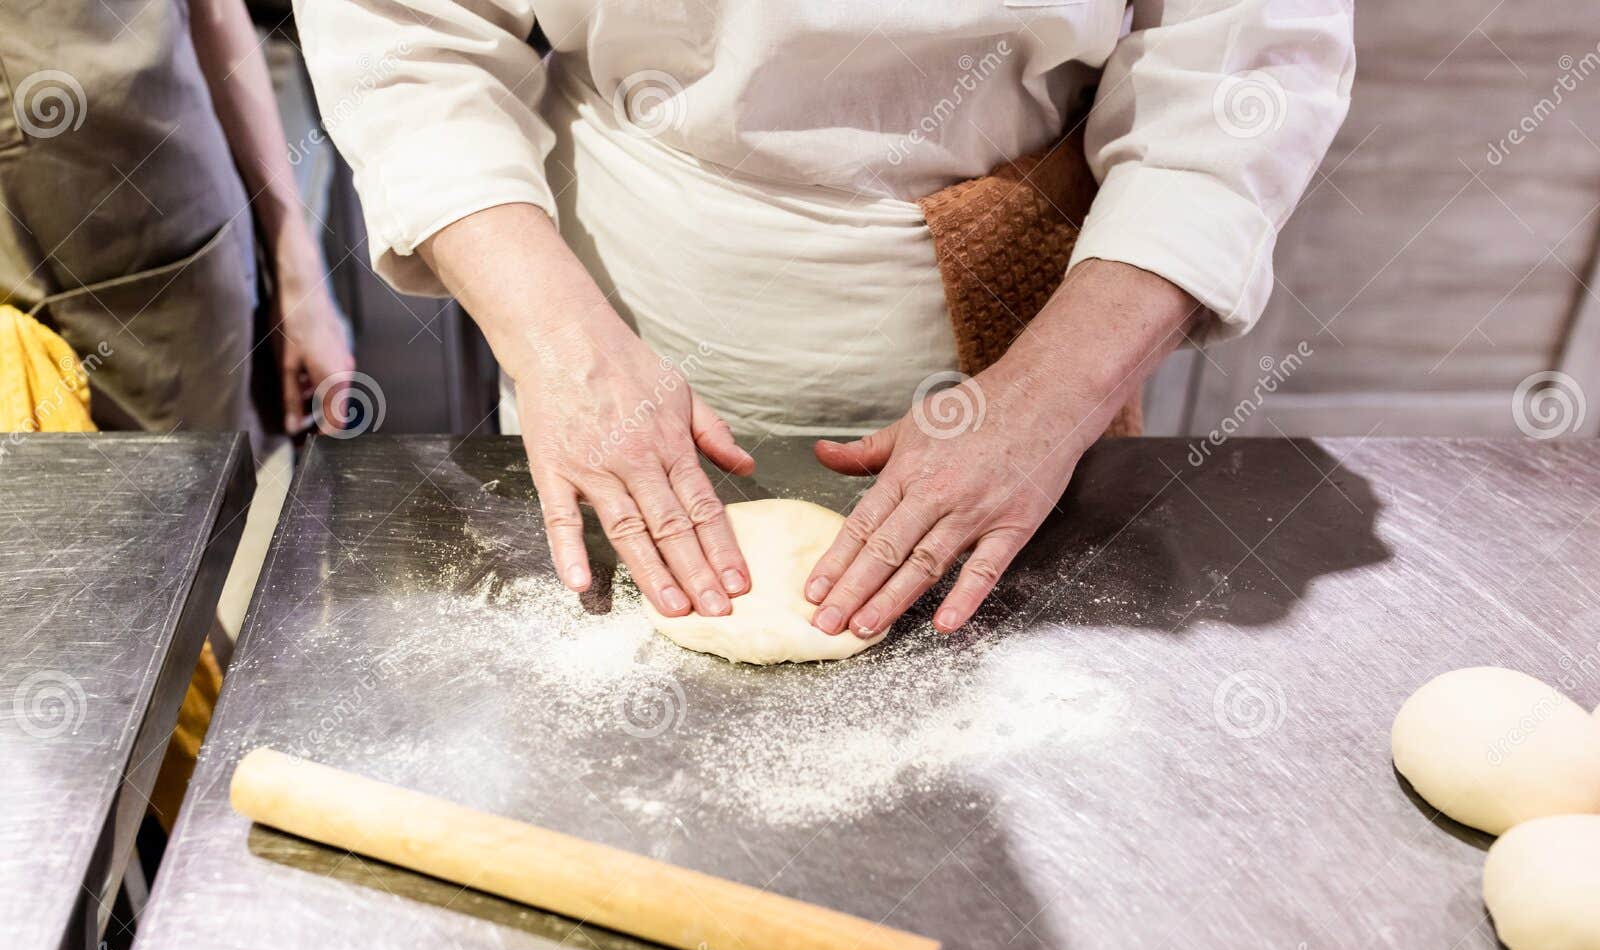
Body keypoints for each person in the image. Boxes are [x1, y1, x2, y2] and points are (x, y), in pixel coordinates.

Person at [297, 1, 1354, 637]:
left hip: (1028, 318)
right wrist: (556, 343)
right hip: (606, 304)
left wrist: (1056, 392)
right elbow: (404, 30)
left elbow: (1243, 59)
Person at [0, 0, 352, 441]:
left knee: (206, 495)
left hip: (174, 259)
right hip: (27, 282)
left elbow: (215, 13)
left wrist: (297, 265)